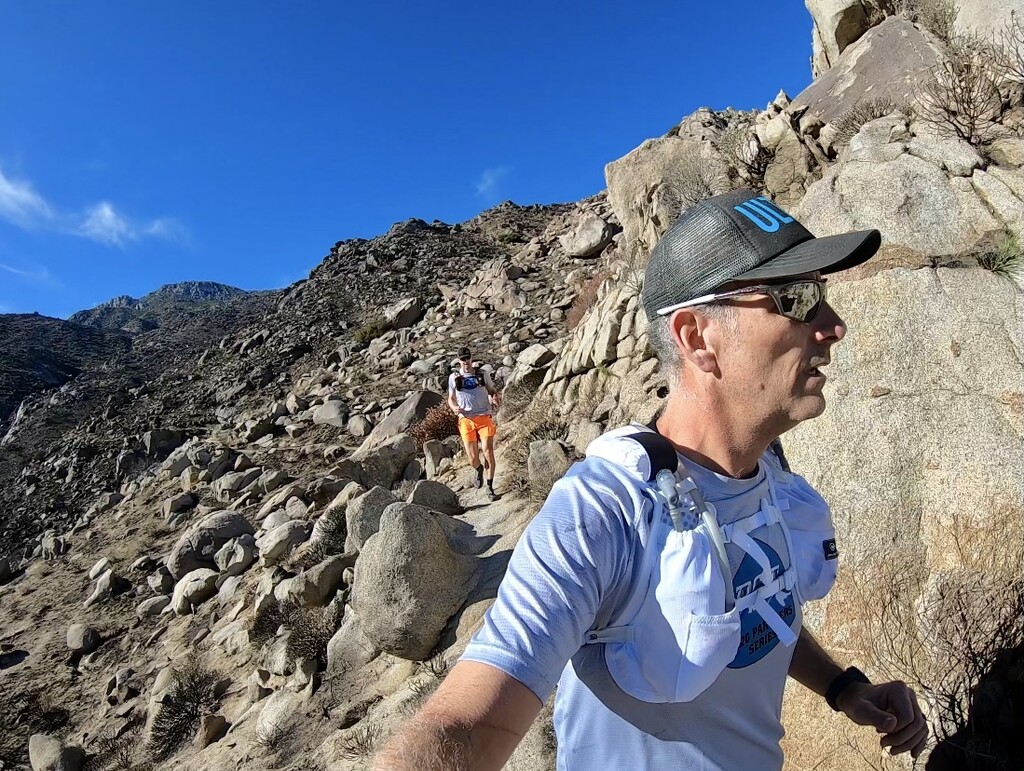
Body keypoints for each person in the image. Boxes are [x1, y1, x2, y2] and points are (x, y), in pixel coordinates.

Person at [376, 189, 928, 770]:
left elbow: (756, 604)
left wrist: (844, 689)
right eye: (797, 298)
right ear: (695, 337)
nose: (833, 325)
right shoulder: (604, 511)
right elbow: (469, 722)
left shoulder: (769, 476)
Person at [447, 347, 500, 500]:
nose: (466, 361)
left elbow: (492, 390)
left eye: (468, 358)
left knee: (488, 451)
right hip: (465, 419)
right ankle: (478, 469)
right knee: (472, 459)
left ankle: (490, 487)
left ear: (471, 358)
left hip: (484, 416)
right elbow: (450, 398)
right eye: (463, 359)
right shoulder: (454, 378)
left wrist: (494, 398)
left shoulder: (482, 374)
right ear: (458, 360)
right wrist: (453, 407)